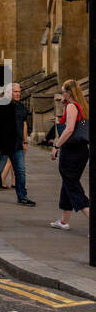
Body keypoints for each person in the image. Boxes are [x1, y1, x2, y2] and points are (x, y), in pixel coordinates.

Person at [0, 82, 35, 207]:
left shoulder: (21, 107)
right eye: (15, 92)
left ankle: (22, 197)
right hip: (2, 145)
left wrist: (25, 141)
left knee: (21, 171)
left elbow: (23, 124)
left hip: (17, 145)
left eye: (18, 91)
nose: (18, 94)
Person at [50, 79, 90, 229]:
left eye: (63, 91)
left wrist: (56, 146)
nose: (61, 94)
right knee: (68, 183)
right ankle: (64, 221)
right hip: (82, 151)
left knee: (73, 186)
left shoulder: (72, 106)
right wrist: (60, 119)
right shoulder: (82, 106)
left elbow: (70, 129)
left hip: (71, 152)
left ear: (68, 92)